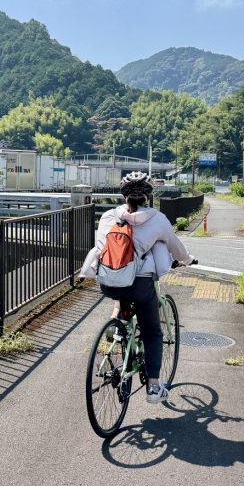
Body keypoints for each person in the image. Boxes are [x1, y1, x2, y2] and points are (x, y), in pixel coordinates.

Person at [80, 171, 195, 404]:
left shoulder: (108, 216)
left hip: (108, 282)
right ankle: (153, 387)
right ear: (148, 196)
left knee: (122, 291)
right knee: (152, 332)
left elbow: (101, 248)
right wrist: (188, 259)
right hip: (140, 284)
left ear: (124, 196)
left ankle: (118, 322)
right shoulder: (158, 219)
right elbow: (177, 248)